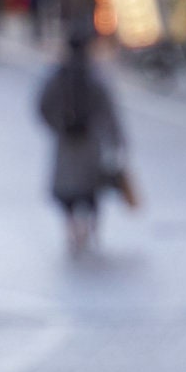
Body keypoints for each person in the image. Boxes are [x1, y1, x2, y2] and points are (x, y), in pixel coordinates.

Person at [35, 26, 125, 254]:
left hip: (65, 140)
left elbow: (42, 105)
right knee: (91, 187)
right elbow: (108, 111)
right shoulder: (94, 76)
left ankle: (72, 228)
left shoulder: (58, 75)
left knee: (67, 190)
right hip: (90, 140)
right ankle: (89, 229)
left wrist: (56, 125)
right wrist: (116, 140)